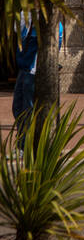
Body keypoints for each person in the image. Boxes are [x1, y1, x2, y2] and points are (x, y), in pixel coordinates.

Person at [12, 11, 38, 145]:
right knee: (17, 107)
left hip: (33, 71)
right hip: (24, 69)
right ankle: (22, 141)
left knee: (28, 109)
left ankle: (24, 145)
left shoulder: (49, 23)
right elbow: (17, 28)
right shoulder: (27, 17)